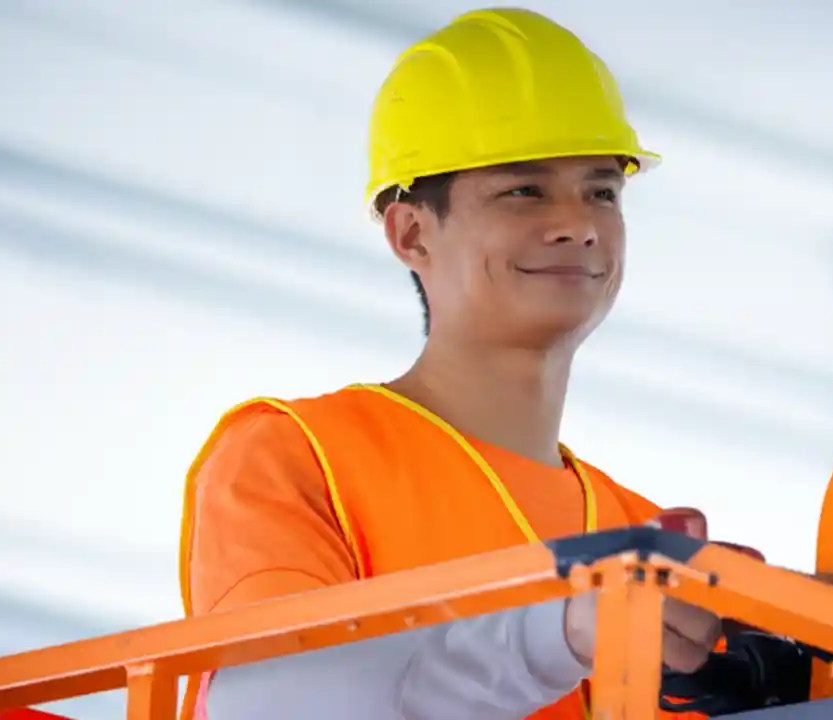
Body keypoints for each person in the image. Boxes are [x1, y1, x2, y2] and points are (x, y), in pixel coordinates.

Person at [177, 7, 724, 719]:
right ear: (411, 233)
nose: (579, 225)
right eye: (523, 189)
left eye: (602, 192)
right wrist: (558, 635)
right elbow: (279, 704)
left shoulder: (644, 530)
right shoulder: (297, 455)